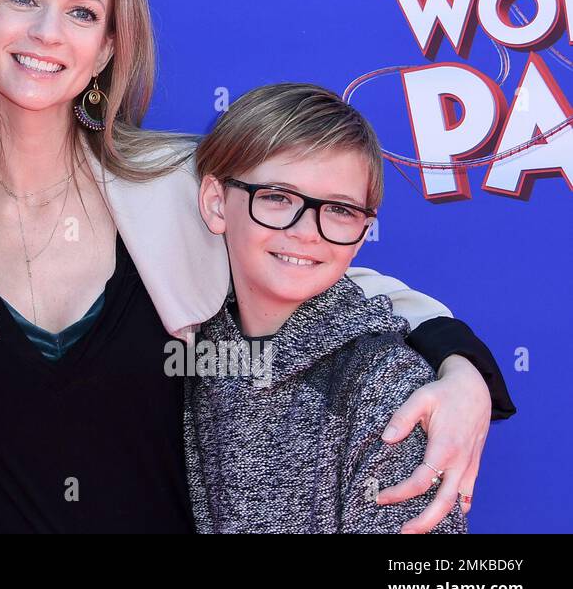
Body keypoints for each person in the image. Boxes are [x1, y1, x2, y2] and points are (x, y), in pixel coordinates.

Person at [0, 0, 514, 533]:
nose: (46, 32)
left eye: (82, 12)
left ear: (107, 49)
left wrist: (464, 372)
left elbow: (331, 284)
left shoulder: (177, 184)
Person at [184, 82, 468, 533]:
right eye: (277, 197)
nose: (306, 231)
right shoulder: (190, 339)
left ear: (362, 233)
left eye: (338, 209)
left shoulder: (388, 389)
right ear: (216, 202)